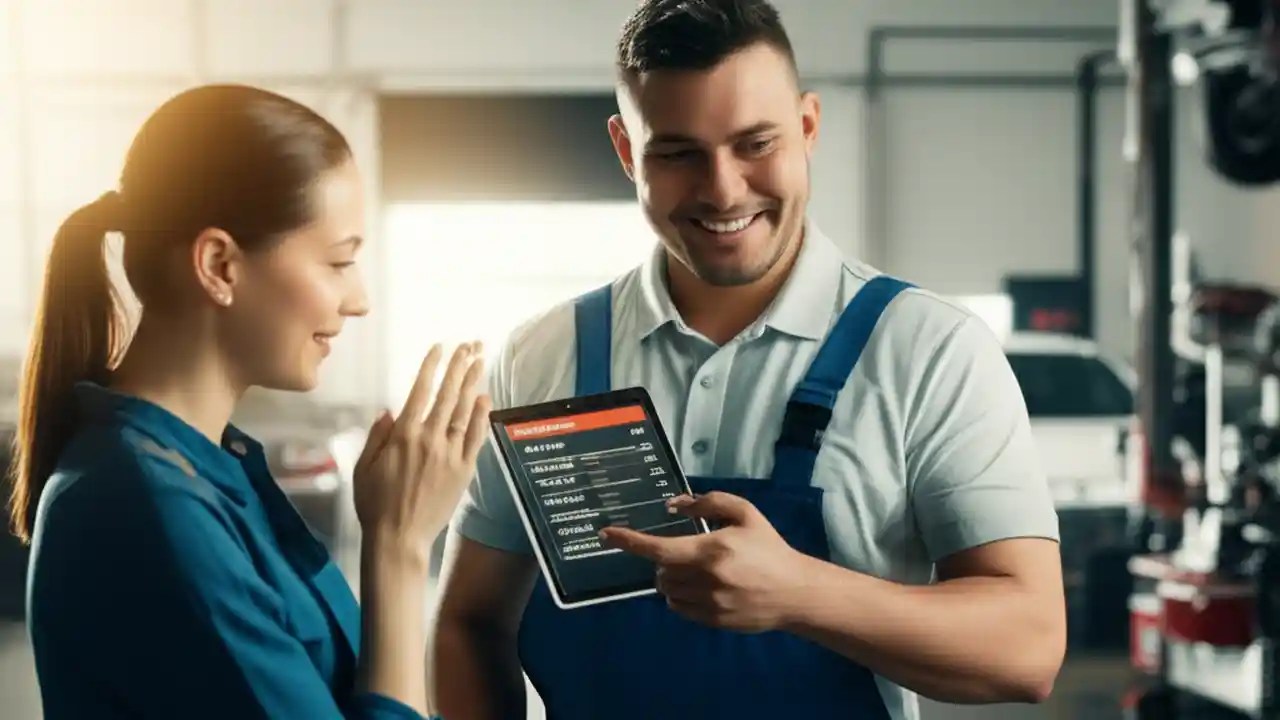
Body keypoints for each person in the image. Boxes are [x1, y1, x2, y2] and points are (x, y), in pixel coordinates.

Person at [431, 1, 1066, 719]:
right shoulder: (545, 356)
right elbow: (468, 622)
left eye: (755, 144)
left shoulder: (930, 352)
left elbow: (1028, 648)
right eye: (677, 153)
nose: (723, 190)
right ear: (624, 149)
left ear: (808, 126)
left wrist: (800, 593)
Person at [10, 84, 488, 720]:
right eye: (338, 262)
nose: (359, 299)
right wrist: (400, 548)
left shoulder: (208, 468)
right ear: (219, 265)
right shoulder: (145, 506)